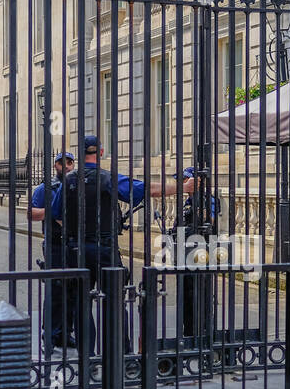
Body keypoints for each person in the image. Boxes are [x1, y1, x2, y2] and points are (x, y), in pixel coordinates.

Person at [51, 135, 193, 356]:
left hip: (75, 248)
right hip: (104, 247)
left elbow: (57, 213)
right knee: (115, 302)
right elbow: (146, 189)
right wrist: (183, 187)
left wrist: (75, 231)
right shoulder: (107, 178)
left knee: (81, 303)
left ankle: (86, 357)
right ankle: (119, 355)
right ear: (100, 152)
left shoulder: (68, 180)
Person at [29, 151, 75, 351]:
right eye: (61, 163)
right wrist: (55, 210)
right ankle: (50, 332)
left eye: (69, 162)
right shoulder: (45, 188)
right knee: (55, 289)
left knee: (72, 290)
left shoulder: (76, 186)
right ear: (55, 165)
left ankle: (66, 333)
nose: (65, 166)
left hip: (73, 243)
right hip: (54, 243)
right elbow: (31, 213)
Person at [178, 166, 220, 344]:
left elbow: (210, 222)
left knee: (198, 293)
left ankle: (201, 334)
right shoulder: (188, 200)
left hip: (200, 252)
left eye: (186, 180)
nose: (182, 183)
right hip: (185, 251)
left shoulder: (206, 199)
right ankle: (189, 333)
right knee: (186, 295)